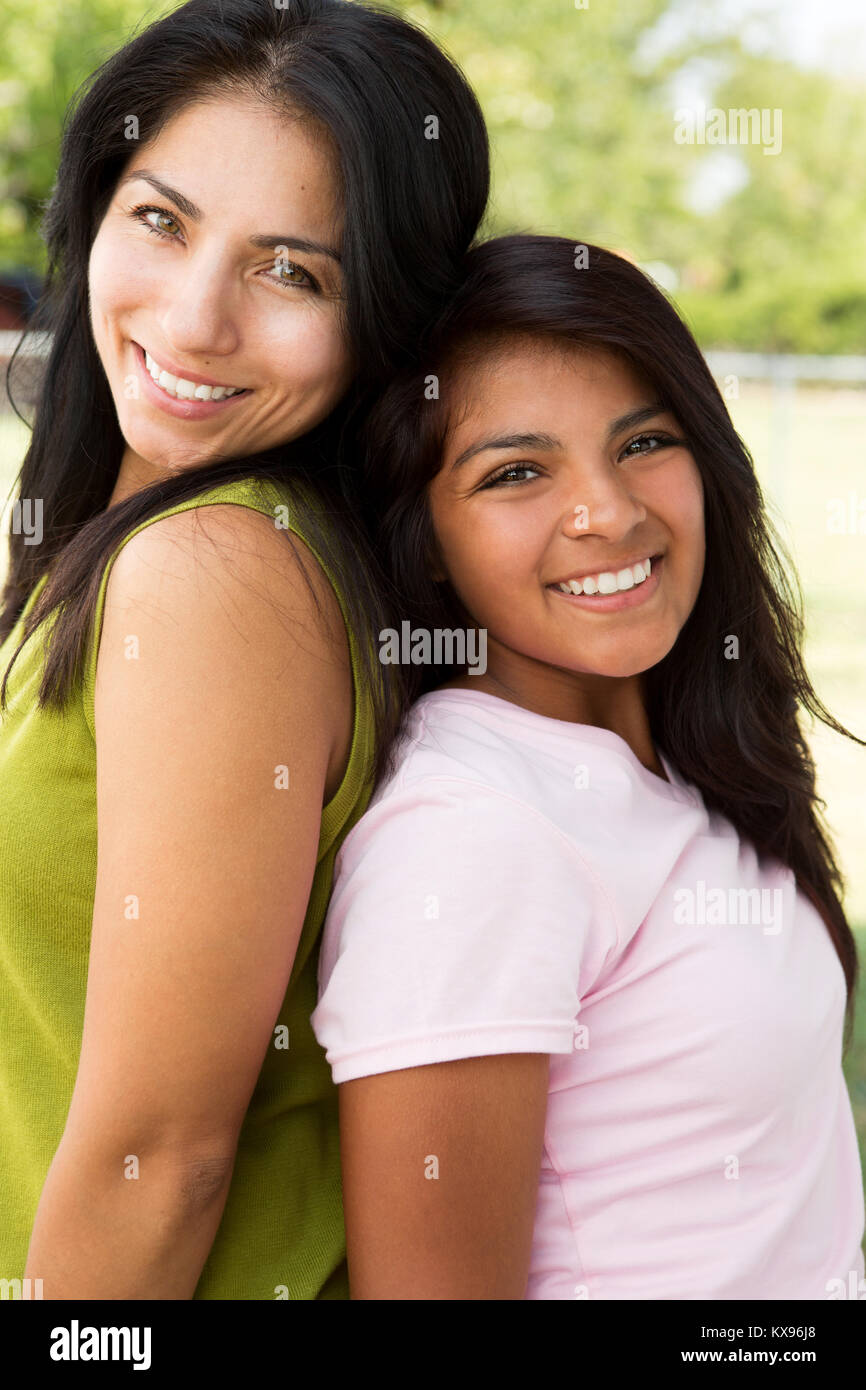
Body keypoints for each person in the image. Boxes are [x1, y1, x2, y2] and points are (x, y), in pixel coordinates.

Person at [0, 0, 489, 1300]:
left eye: (293, 271)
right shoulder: (128, 541)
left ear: (383, 323)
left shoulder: (210, 576)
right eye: (161, 220)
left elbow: (158, 1161)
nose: (197, 317)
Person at [311, 234, 866, 1300]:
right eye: (515, 471)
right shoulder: (470, 836)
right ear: (425, 537)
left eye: (642, 442)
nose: (607, 512)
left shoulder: (679, 761)